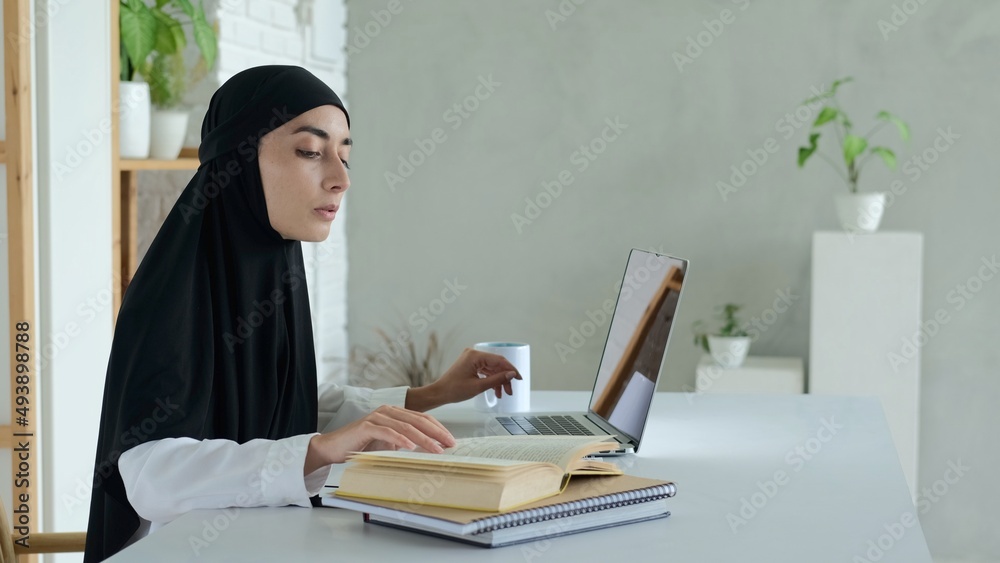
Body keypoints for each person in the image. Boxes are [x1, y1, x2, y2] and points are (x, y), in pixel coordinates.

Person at [83, 65, 521, 561]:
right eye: (311, 152)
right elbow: (147, 473)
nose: (340, 179)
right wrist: (321, 450)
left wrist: (430, 395)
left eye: (345, 156)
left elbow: (278, 398)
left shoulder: (268, 265)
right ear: (240, 162)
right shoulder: (173, 291)